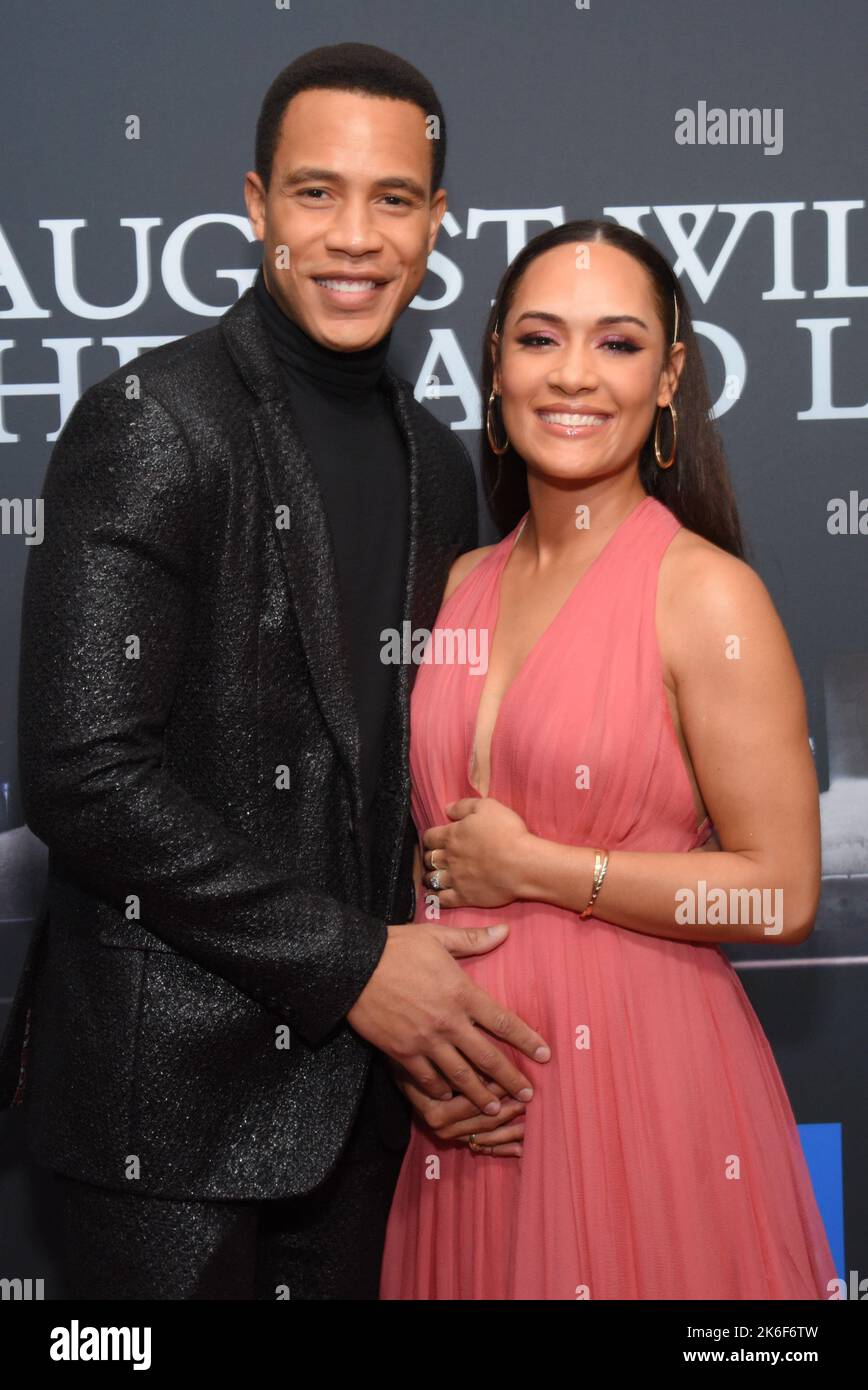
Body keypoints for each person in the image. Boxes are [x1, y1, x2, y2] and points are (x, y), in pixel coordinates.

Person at [0, 43, 550, 1301]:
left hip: (365, 1108)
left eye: (393, 199)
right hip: (167, 1118)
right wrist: (355, 962)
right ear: (255, 206)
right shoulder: (154, 420)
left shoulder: (436, 452)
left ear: (437, 220)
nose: (353, 236)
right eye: (315, 193)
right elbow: (83, 777)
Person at [379, 219, 838, 1299]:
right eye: (539, 339)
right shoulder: (457, 585)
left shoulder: (703, 594)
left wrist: (539, 867)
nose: (573, 374)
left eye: (619, 343)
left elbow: (778, 896)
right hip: (467, 1105)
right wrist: (417, 1044)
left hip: (644, 1096)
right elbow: (433, 855)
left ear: (670, 373)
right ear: (494, 362)